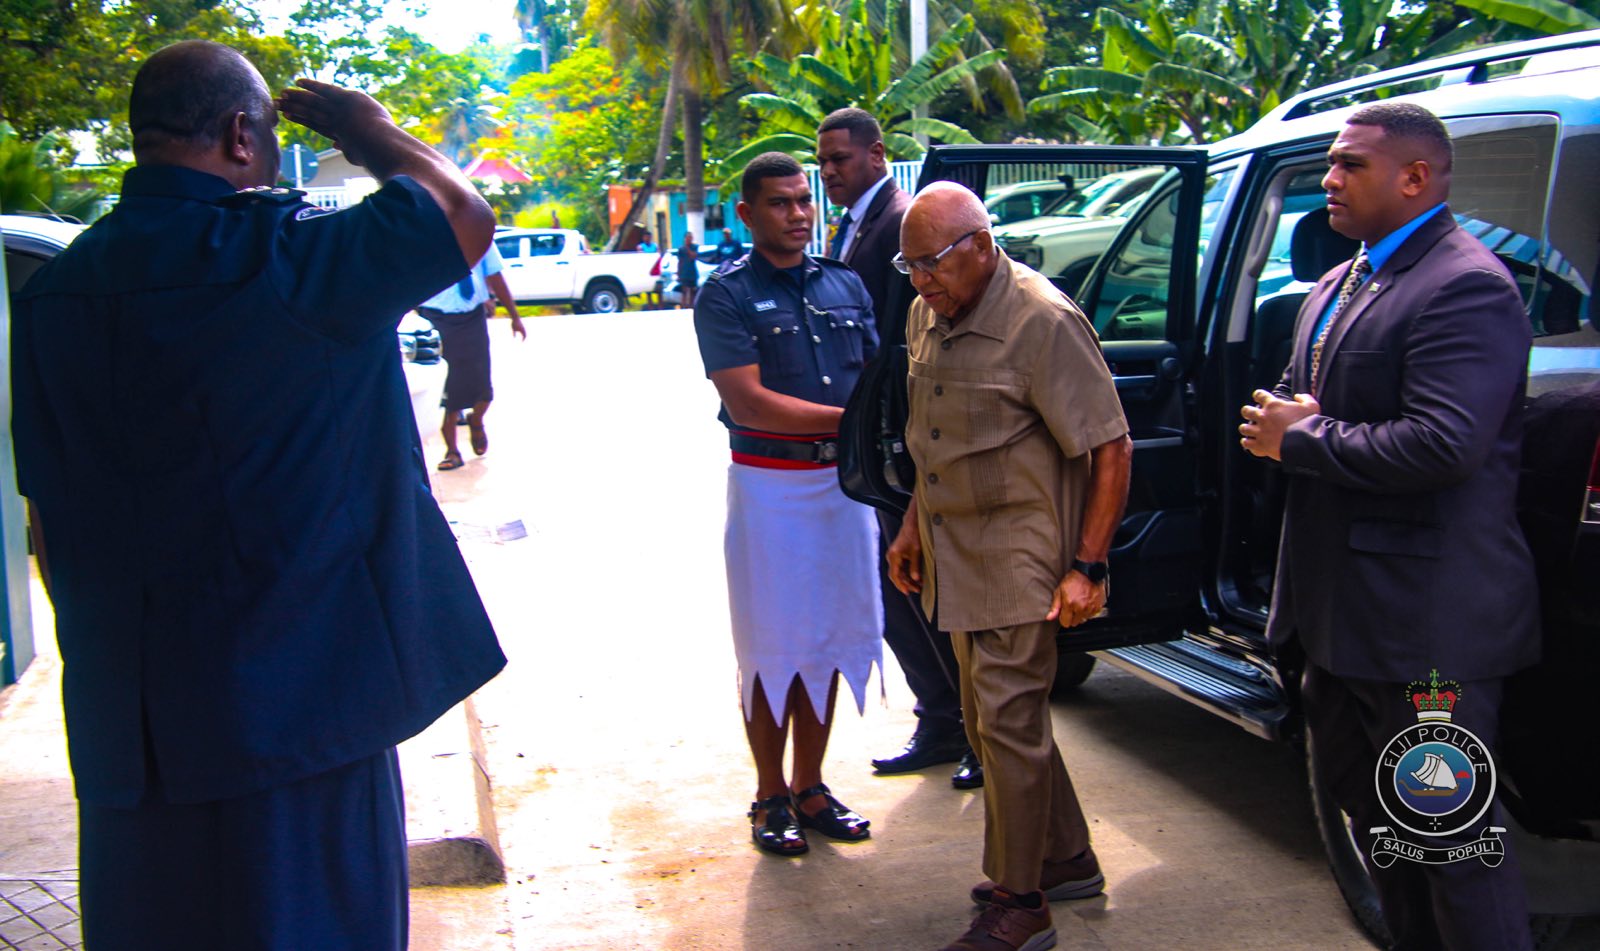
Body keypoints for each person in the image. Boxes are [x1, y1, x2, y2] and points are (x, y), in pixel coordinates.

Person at [9, 41, 507, 949]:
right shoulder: (291, 259)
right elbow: (460, 213)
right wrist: (371, 131)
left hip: (135, 726)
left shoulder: (56, 291)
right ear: (242, 136)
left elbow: (44, 503)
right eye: (272, 136)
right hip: (298, 708)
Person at [1239, 102, 1538, 951]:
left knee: (1451, 848)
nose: (1328, 179)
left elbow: (1445, 443)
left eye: (1348, 166)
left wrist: (1303, 438)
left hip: (1425, 630)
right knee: (1384, 840)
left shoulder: (1467, 285)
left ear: (1416, 177)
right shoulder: (1341, 281)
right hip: (1339, 625)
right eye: (1330, 164)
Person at [886, 182, 1132, 951]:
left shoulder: (1042, 319)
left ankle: (1022, 901)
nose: (923, 282)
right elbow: (932, 437)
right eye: (911, 265)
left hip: (1022, 559)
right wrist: (910, 527)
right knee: (999, 724)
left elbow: (1111, 446)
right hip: (955, 552)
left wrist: (1087, 565)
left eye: (934, 264)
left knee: (1007, 724)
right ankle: (1064, 857)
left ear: (982, 249)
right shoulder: (928, 309)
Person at [692, 152, 883, 858]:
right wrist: (854, 422)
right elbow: (747, 400)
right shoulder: (727, 295)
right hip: (770, 487)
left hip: (843, 488)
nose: (798, 214)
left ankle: (811, 784)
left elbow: (876, 372)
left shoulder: (846, 283)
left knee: (829, 639)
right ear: (746, 212)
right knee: (773, 645)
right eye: (780, 203)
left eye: (804, 201)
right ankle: (769, 791)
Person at [816, 107, 979, 787]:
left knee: (931, 588)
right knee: (896, 584)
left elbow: (913, 336)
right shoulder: (856, 223)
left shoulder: (902, 221)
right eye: (822, 162)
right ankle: (942, 715)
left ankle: (976, 728)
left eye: (840, 161)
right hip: (877, 436)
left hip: (909, 436)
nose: (829, 174)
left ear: (877, 155)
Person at [417, 244, 526, 470]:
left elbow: (495, 274)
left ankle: (476, 420)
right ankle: (452, 451)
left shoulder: (478, 230)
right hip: (437, 317)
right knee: (447, 388)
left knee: (481, 385)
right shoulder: (427, 232)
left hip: (472, 317)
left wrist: (514, 316)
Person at [677, 231, 700, 308]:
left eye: (690, 237)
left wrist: (687, 248)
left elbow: (694, 256)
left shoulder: (695, 247)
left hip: (692, 271)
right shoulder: (681, 249)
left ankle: (691, 306)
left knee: (693, 290)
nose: (689, 239)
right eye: (687, 237)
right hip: (684, 272)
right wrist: (678, 273)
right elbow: (679, 261)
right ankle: (683, 306)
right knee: (684, 291)